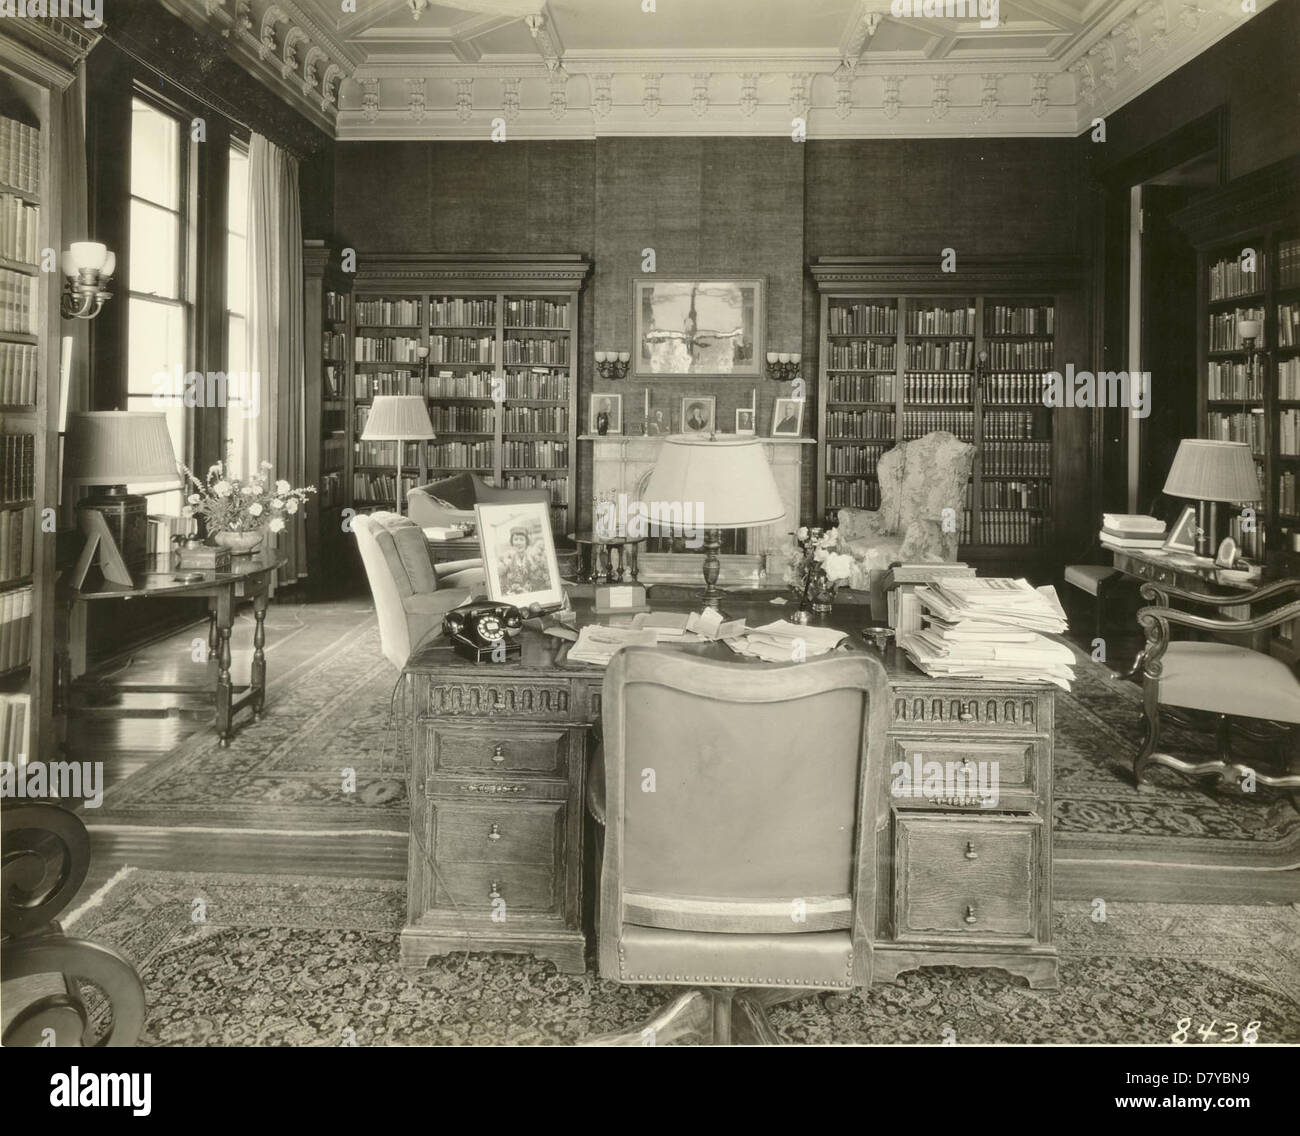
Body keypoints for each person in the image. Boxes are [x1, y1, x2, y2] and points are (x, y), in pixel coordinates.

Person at [498, 527, 549, 595]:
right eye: (515, 539)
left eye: (521, 539)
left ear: (526, 542)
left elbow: (541, 580)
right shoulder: (508, 560)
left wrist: (528, 587)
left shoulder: (533, 559)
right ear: (512, 542)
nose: (518, 543)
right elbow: (502, 583)